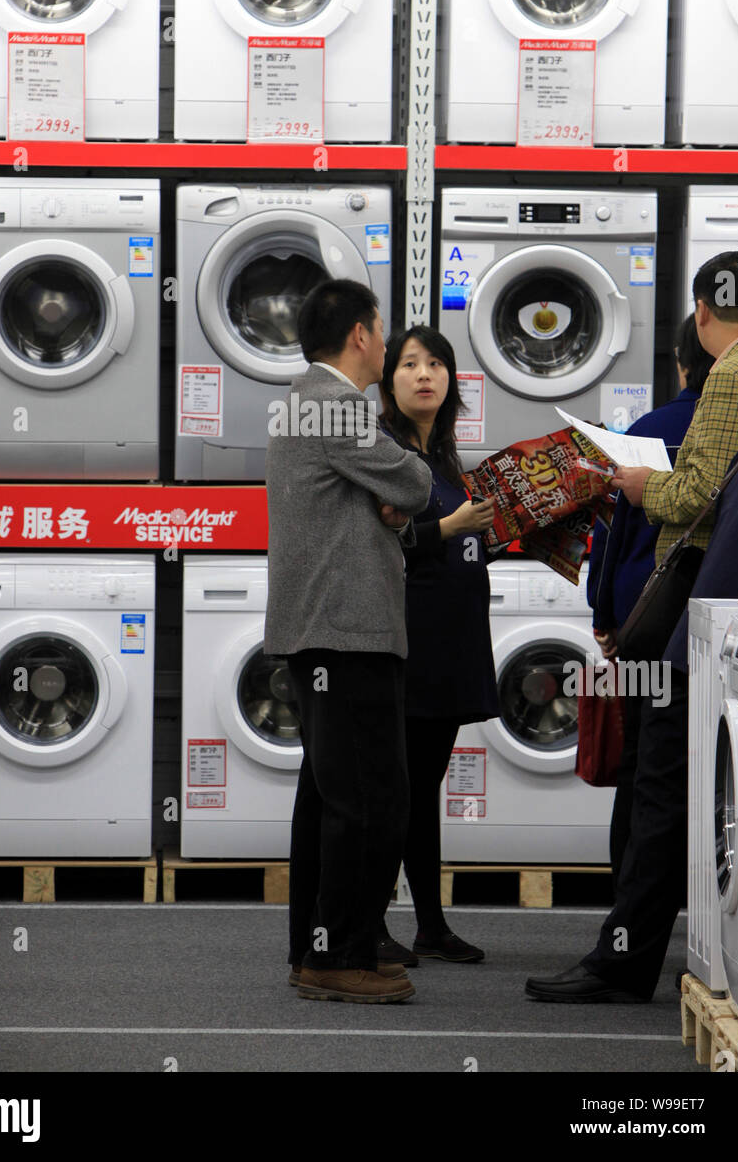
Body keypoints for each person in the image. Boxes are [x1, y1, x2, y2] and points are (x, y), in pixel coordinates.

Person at [525, 249, 738, 1003]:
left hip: (710, 616)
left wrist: (635, 480)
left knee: (661, 788)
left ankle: (622, 960)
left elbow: (694, 497)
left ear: (701, 314)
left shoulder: (734, 371)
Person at [265, 278, 432, 1004]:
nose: (390, 343)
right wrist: (396, 500)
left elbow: (382, 502)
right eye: (383, 330)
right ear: (361, 335)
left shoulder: (307, 402)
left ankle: (325, 945)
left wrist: (386, 510)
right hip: (346, 632)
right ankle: (338, 957)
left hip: (325, 630)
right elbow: (417, 482)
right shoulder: (334, 406)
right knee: (371, 800)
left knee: (336, 798)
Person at [375, 326, 498, 966]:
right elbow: (376, 544)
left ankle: (429, 923)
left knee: (423, 789)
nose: (425, 374)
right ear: (389, 379)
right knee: (394, 790)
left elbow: (460, 544)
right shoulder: (384, 449)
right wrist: (451, 526)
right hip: (404, 642)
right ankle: (370, 923)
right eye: (409, 364)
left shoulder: (446, 457)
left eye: (437, 364)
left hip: (450, 644)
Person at [586, 314, 714, 889]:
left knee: (642, 772)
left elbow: (610, 535)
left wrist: (605, 616)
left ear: (683, 363)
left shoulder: (649, 429)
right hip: (728, 620)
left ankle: (629, 913)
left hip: (650, 622)